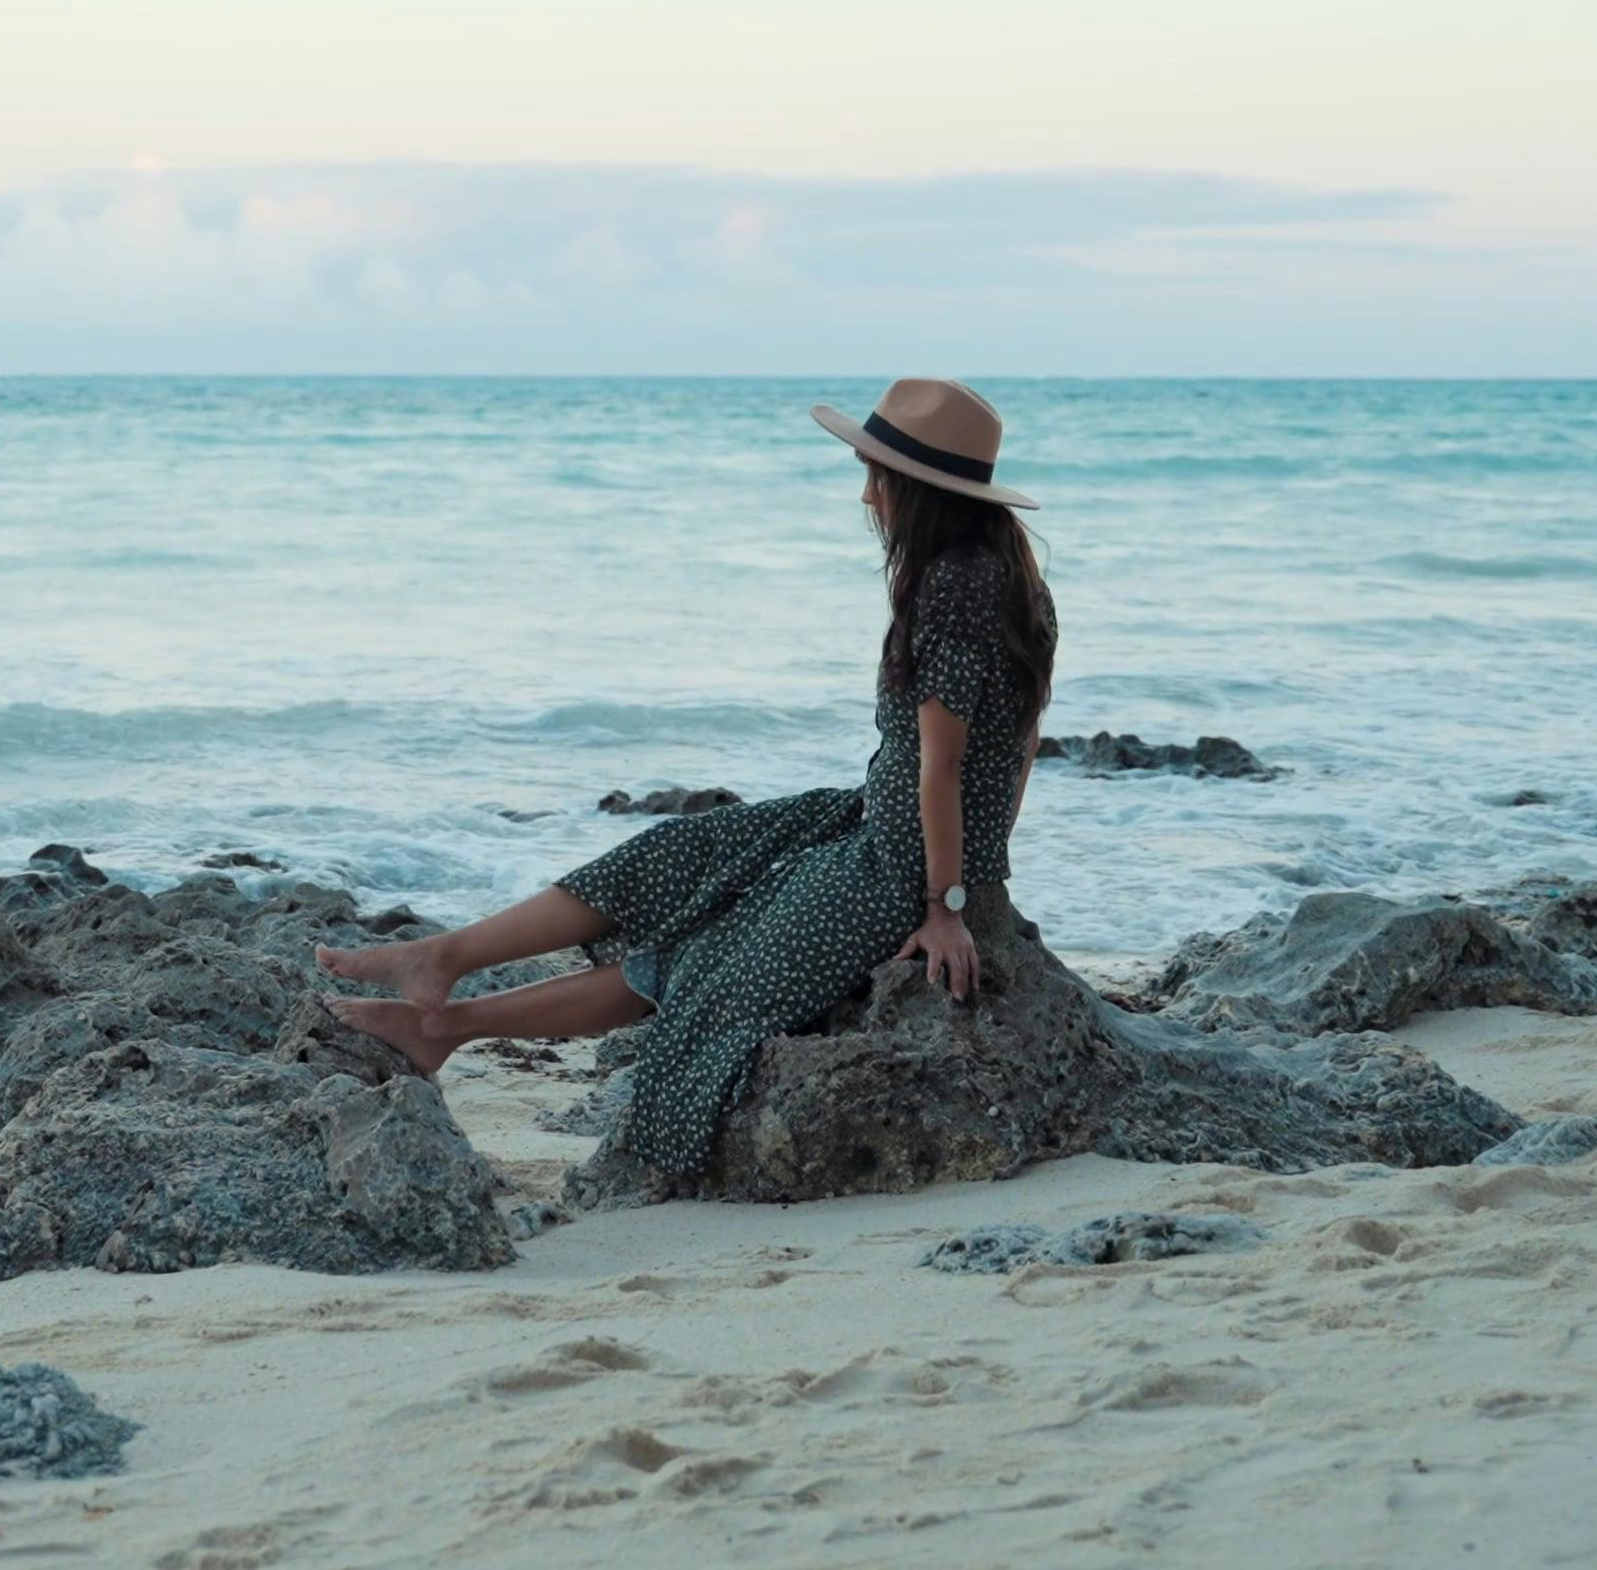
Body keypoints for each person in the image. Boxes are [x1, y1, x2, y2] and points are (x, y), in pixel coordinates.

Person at [321, 376, 1059, 1184]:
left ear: (919, 489)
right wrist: (984, 860)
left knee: (702, 971)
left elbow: (942, 763)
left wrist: (948, 904)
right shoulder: (1011, 578)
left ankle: (446, 1025)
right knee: (672, 855)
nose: (866, 495)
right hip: (872, 823)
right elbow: (1021, 743)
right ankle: (442, 958)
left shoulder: (954, 586)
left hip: (897, 866)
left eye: (876, 476)